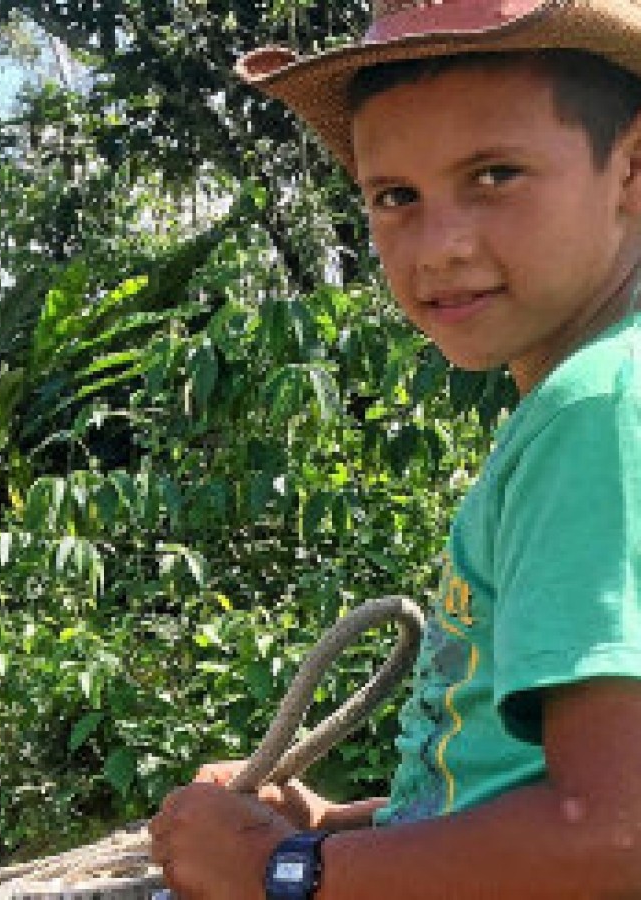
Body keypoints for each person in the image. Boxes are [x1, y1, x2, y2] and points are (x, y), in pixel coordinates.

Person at [147, 1, 641, 897]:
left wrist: (279, 870)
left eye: (494, 174)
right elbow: (511, 786)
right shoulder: (586, 399)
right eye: (396, 197)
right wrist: (333, 828)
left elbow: (618, 835)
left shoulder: (599, 409)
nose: (439, 247)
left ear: (633, 168)